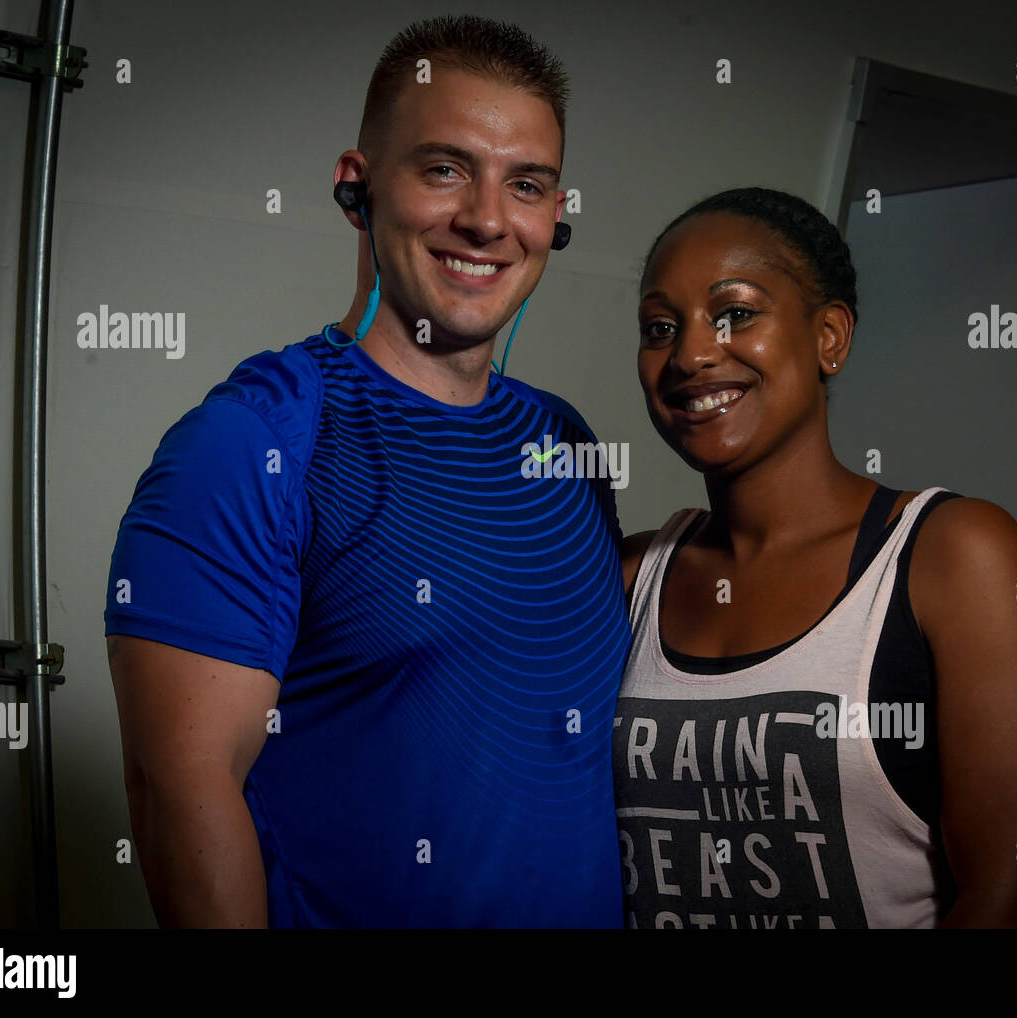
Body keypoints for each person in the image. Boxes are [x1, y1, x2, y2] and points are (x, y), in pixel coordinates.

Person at [104, 15, 630, 928]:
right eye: (444, 169)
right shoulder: (256, 441)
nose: (488, 220)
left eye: (527, 185)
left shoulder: (566, 442)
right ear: (358, 187)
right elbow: (178, 793)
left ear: (555, 216)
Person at [615, 187, 1017, 929]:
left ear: (830, 336)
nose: (692, 354)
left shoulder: (951, 554)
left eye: (735, 313)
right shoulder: (633, 575)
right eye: (660, 327)